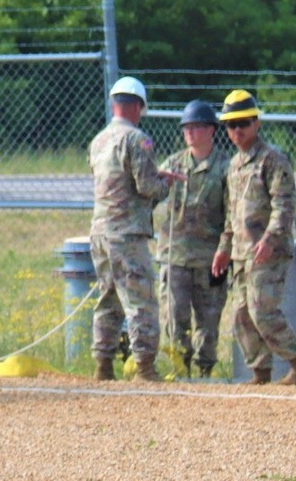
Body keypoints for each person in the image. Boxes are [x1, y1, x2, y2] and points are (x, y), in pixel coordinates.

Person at [211, 90, 296, 384]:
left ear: (257, 123)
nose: (237, 130)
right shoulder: (234, 165)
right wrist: (223, 248)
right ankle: (260, 371)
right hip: (242, 252)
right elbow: (231, 213)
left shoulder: (272, 160)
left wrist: (270, 239)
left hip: (269, 250)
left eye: (243, 122)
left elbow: (284, 205)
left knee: (262, 310)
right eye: (231, 125)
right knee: (241, 315)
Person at [86, 75, 177, 382]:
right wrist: (166, 183)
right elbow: (147, 186)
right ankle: (145, 366)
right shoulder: (139, 139)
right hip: (127, 234)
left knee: (108, 298)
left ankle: (103, 364)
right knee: (140, 300)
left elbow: (115, 180)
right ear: (138, 106)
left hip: (100, 232)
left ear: (115, 104)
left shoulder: (98, 140)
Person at [156, 99, 228, 377]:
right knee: (174, 317)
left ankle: (204, 372)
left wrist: (225, 249)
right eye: (186, 127)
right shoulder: (173, 164)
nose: (190, 132)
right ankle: (180, 370)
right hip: (175, 255)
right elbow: (151, 192)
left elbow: (232, 212)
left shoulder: (225, 167)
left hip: (212, 258)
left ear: (211, 130)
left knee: (209, 320)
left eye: (196, 127)